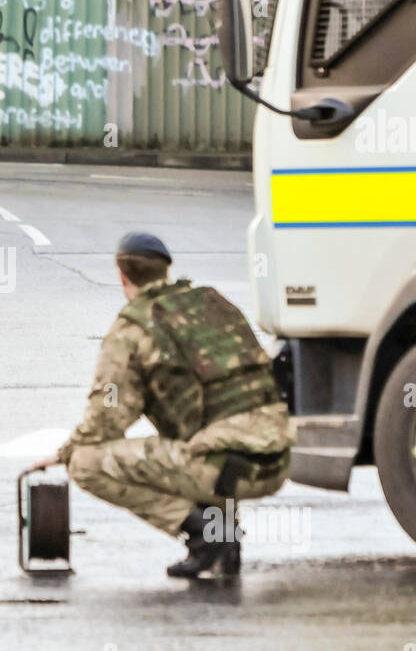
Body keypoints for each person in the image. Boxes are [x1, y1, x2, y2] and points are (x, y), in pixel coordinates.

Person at [26, 232, 294, 578]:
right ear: (166, 269)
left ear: (122, 276)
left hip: (223, 468)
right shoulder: (213, 303)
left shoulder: (130, 331)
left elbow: (106, 414)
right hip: (275, 461)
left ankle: (201, 535)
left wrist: (64, 453)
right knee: (208, 434)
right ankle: (223, 541)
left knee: (86, 463)